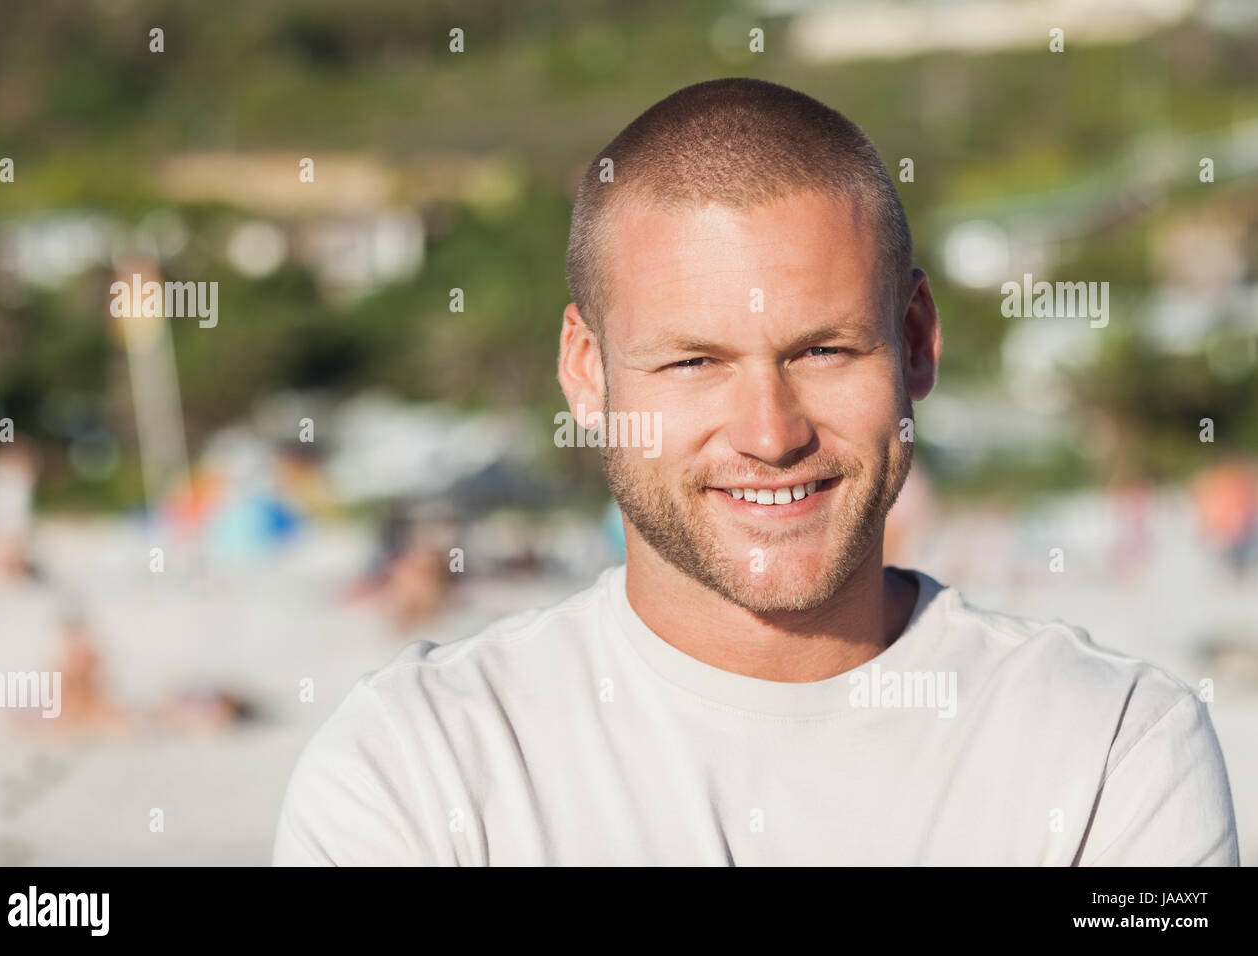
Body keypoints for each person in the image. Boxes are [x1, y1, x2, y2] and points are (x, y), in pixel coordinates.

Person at [273, 78, 1238, 866]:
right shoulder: (417, 770)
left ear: (914, 343)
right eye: (694, 362)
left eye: (823, 352)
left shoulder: (1109, 751)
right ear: (586, 372)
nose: (770, 434)